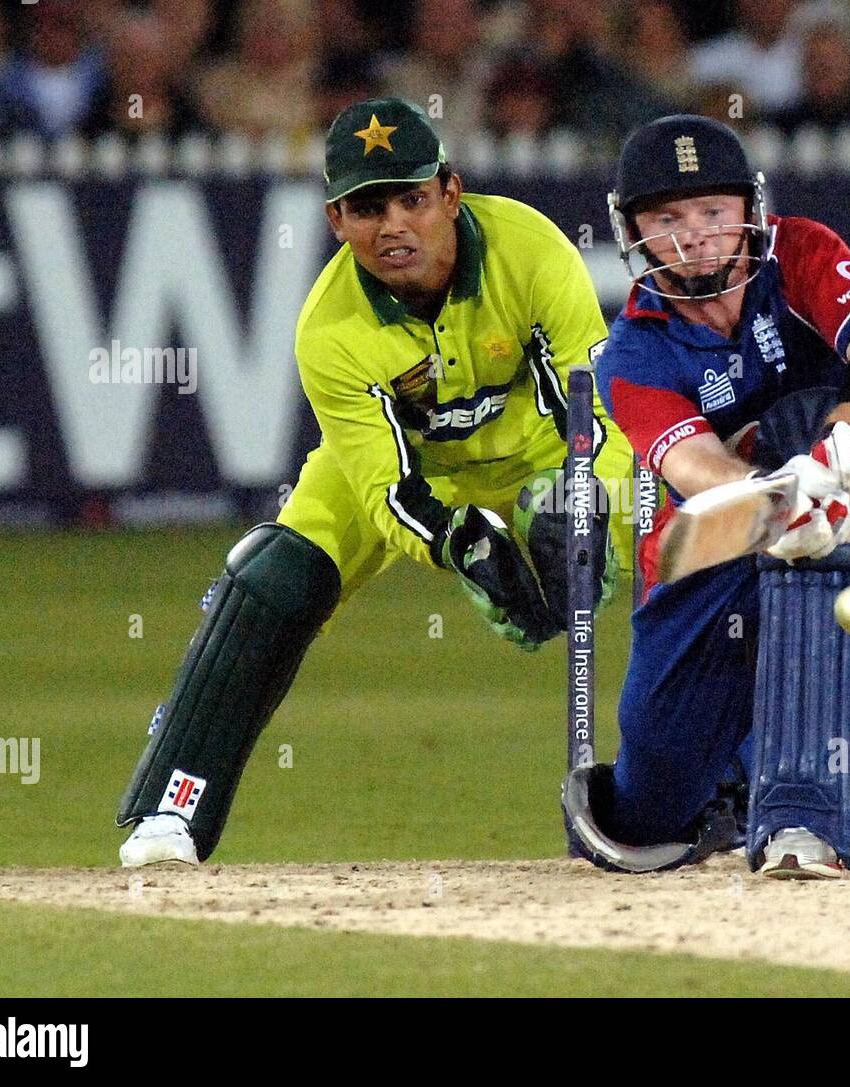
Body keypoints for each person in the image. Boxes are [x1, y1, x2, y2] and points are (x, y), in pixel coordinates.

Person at [117, 97, 631, 867]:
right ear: (335, 220)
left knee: (672, 525)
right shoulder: (331, 331)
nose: (393, 226)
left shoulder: (532, 252)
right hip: (418, 472)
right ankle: (172, 811)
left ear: (450, 194)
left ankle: (721, 785)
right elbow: (387, 489)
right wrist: (465, 547)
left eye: (411, 199)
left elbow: (593, 416)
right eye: (366, 207)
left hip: (536, 455)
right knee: (272, 578)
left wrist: (581, 506)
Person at [562, 114, 850, 879]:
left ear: (750, 209)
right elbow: (697, 467)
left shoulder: (801, 252)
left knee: (833, 507)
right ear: (631, 229)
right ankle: (721, 786)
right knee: (651, 807)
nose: (696, 236)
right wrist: (779, 494)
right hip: (708, 560)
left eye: (713, 211)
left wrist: (848, 445)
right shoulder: (634, 351)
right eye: (667, 219)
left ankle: (800, 823)